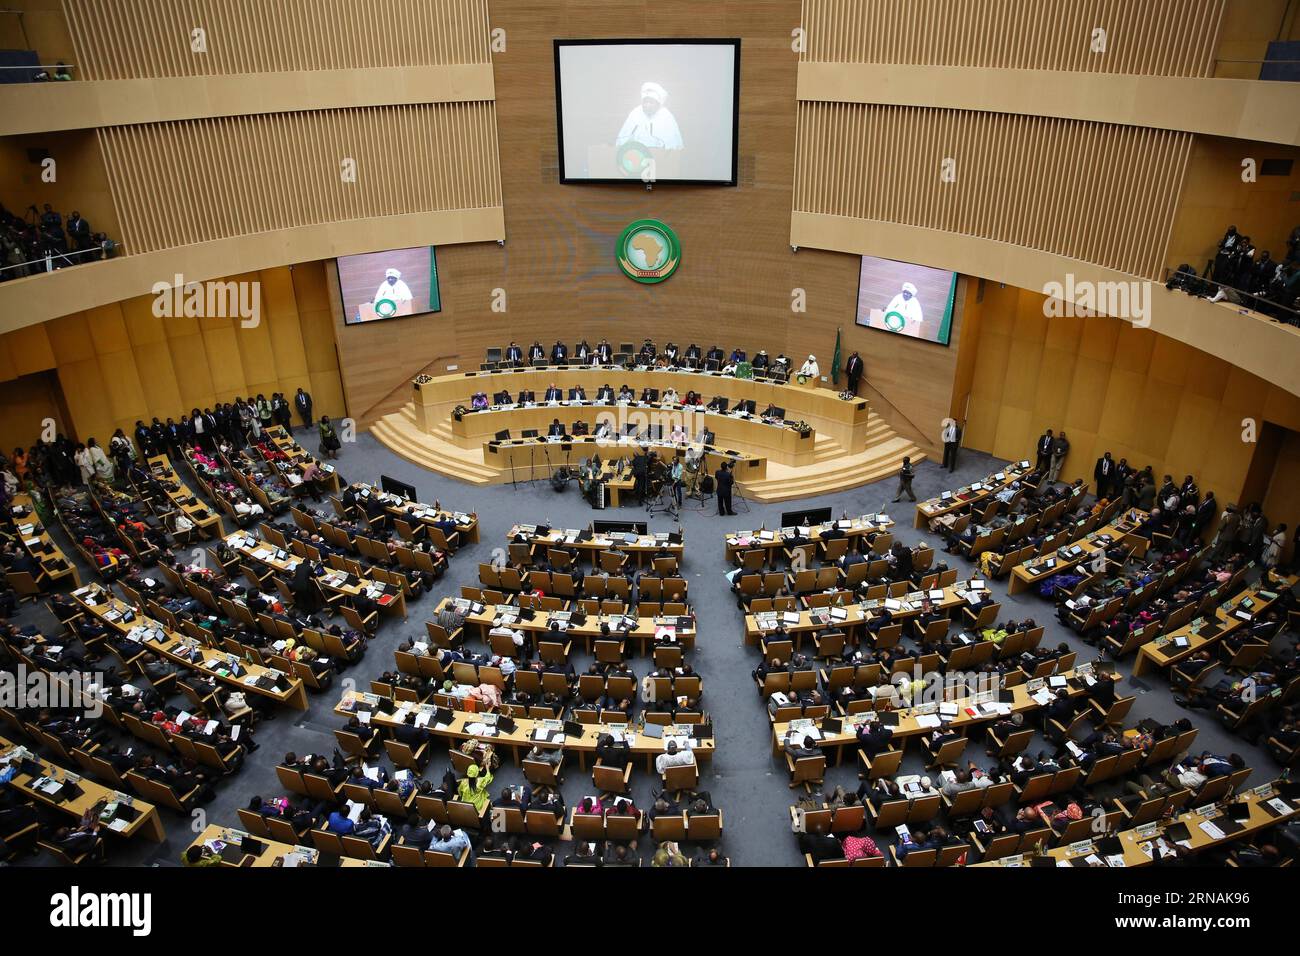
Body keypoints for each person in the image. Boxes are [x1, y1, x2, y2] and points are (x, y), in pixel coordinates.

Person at [615, 81, 683, 150]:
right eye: (645, 101)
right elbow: (622, 140)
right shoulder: (635, 113)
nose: (647, 105)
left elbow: (673, 145)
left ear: (658, 103)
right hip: (636, 156)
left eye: (651, 102)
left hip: (660, 157)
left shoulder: (666, 116)